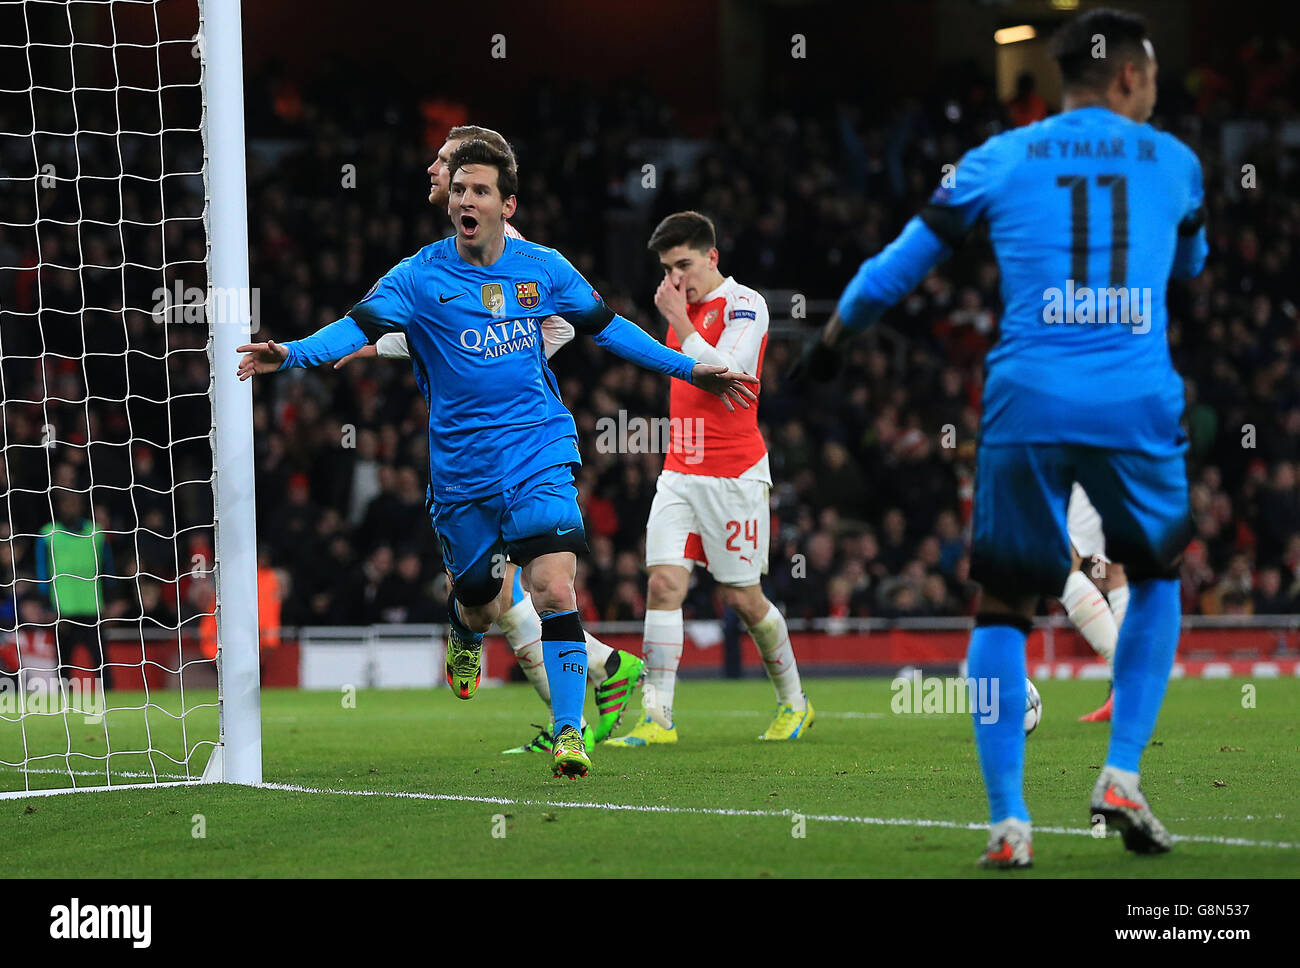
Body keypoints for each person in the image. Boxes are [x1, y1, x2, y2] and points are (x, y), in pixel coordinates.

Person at [790, 8, 1207, 866]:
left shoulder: (1002, 155)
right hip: (1135, 401)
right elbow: (1192, 267)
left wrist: (832, 347)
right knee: (1158, 576)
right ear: (1130, 77)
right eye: (1153, 80)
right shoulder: (1177, 163)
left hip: (1028, 403)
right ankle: (1120, 773)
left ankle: (1009, 821)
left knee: (1005, 607)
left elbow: (894, 270)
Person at [238, 138, 758, 778]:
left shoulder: (544, 268)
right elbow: (356, 327)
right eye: (458, 189)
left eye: (479, 190)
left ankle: (571, 733)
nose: (465, 198)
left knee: (552, 586)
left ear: (507, 204)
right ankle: (465, 626)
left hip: (539, 449)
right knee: (481, 594)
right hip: (462, 471)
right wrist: (291, 354)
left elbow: (610, 328)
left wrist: (692, 367)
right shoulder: (418, 277)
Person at [334, 125, 645, 754]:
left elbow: (539, 329)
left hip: (514, 434)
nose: (434, 172)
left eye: (445, 163)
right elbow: (444, 325)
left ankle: (573, 721)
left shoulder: (515, 254)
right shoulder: (441, 259)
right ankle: (600, 673)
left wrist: (493, 371)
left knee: (534, 590)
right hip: (474, 439)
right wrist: (385, 342)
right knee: (493, 599)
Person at [606, 211, 812, 747]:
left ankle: (795, 702)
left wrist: (684, 322)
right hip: (679, 471)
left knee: (743, 598)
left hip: (735, 474)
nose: (676, 280)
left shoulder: (746, 305)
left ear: (712, 257)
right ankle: (658, 718)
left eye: (684, 265)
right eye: (668, 270)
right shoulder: (681, 310)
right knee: (663, 584)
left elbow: (730, 373)